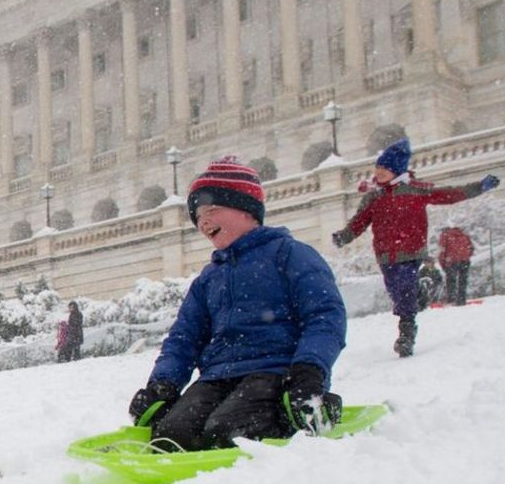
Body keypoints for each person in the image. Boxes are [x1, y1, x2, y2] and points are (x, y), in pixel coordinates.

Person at [129, 156, 347, 452]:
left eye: (212, 209)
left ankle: (311, 413)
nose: (203, 221)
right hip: (217, 377)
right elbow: (184, 338)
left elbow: (324, 316)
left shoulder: (289, 254)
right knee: (171, 434)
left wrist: (310, 370)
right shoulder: (208, 278)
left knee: (229, 433)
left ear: (246, 208)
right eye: (197, 217)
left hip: (276, 371)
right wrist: (163, 385)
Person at [332, 138, 499, 357]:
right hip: (385, 255)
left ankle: (406, 334)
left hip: (411, 251)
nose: (379, 172)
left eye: (384, 168)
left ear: (397, 170)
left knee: (404, 289)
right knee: (398, 292)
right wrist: (344, 236)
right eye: (378, 167)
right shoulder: (374, 197)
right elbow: (359, 222)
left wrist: (479, 187)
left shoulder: (416, 191)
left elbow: (449, 194)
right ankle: (421, 293)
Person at [438, 226, 474, 306]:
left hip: (451, 261)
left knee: (451, 280)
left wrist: (443, 263)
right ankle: (462, 299)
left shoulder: (445, 236)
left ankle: (451, 299)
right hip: (465, 260)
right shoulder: (464, 235)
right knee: (463, 280)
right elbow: (471, 248)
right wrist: (466, 256)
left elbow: (442, 251)